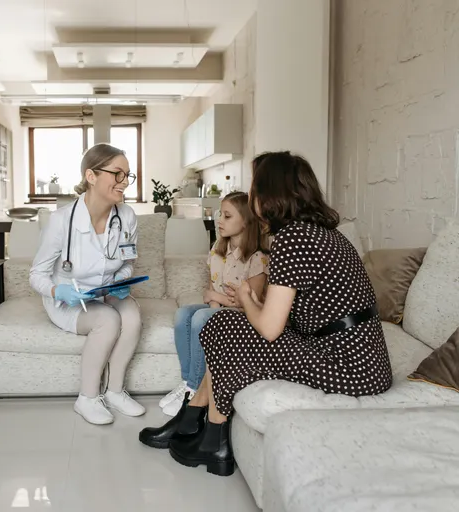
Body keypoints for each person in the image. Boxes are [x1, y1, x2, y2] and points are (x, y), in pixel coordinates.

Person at [139, 151, 392, 476]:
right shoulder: (324, 233)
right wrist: (248, 305)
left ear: (269, 195)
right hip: (360, 361)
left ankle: (210, 432)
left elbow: (270, 328)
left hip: (348, 367)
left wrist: (246, 298)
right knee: (226, 325)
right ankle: (199, 424)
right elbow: (285, 316)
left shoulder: (293, 239)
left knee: (224, 327)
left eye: (255, 186)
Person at [30, 143, 145, 426]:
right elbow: (36, 274)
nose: (124, 183)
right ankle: (88, 398)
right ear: (91, 176)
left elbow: (128, 261)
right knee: (107, 320)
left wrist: (120, 280)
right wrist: (58, 290)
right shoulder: (61, 221)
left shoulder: (127, 217)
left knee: (131, 315)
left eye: (127, 176)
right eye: (117, 174)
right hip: (70, 299)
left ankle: (116, 391)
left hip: (105, 290)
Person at [158, 192, 270, 417]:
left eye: (227, 216)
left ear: (246, 221)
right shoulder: (217, 252)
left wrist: (217, 299)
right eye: (220, 215)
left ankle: (195, 389)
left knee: (200, 318)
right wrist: (215, 303)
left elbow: (250, 302)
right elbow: (210, 293)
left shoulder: (258, 258)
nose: (219, 220)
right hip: (223, 312)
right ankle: (188, 383)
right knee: (183, 314)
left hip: (244, 316)